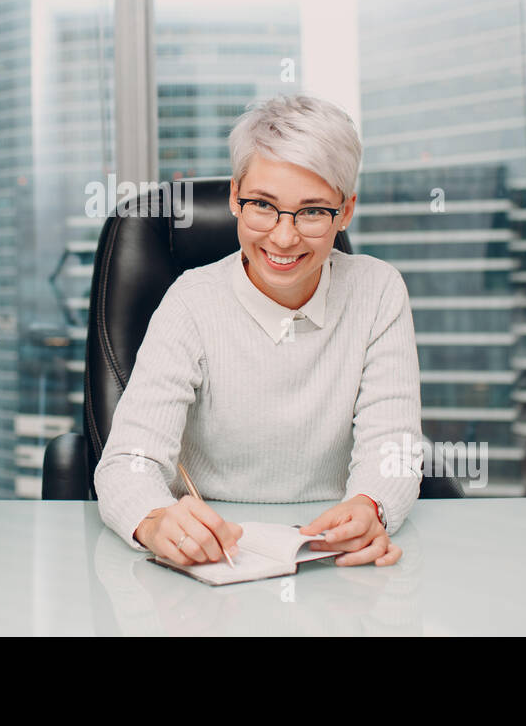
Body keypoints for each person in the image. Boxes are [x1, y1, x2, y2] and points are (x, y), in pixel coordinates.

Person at [94, 93, 423, 568]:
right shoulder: (191, 301)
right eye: (263, 206)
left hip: (329, 552)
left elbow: (392, 444)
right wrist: (153, 518)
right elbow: (130, 461)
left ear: (345, 211)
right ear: (234, 198)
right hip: (212, 554)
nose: (283, 237)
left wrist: (371, 504)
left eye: (312, 211)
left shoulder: (378, 291)